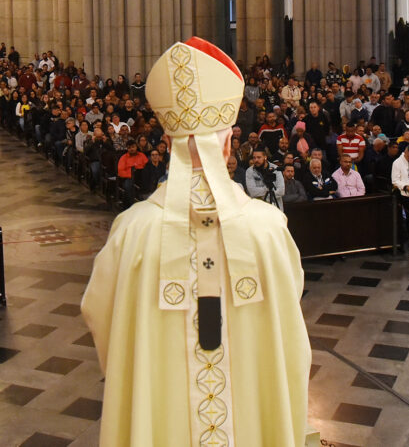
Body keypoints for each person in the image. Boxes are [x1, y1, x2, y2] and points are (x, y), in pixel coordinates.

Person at [82, 37, 310, 446]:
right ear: (228, 145)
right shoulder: (269, 227)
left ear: (166, 146)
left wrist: (141, 363)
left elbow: (100, 317)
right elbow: (290, 331)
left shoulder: (131, 231)